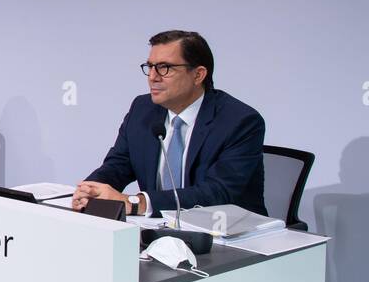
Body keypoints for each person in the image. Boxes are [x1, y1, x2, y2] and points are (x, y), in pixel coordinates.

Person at [73, 30, 266, 216]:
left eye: (165, 68)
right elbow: (119, 164)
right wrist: (90, 190)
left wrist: (138, 203)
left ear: (198, 75)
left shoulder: (239, 121)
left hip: (225, 234)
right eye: (150, 66)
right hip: (159, 230)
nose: (153, 77)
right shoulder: (142, 109)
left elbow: (218, 193)